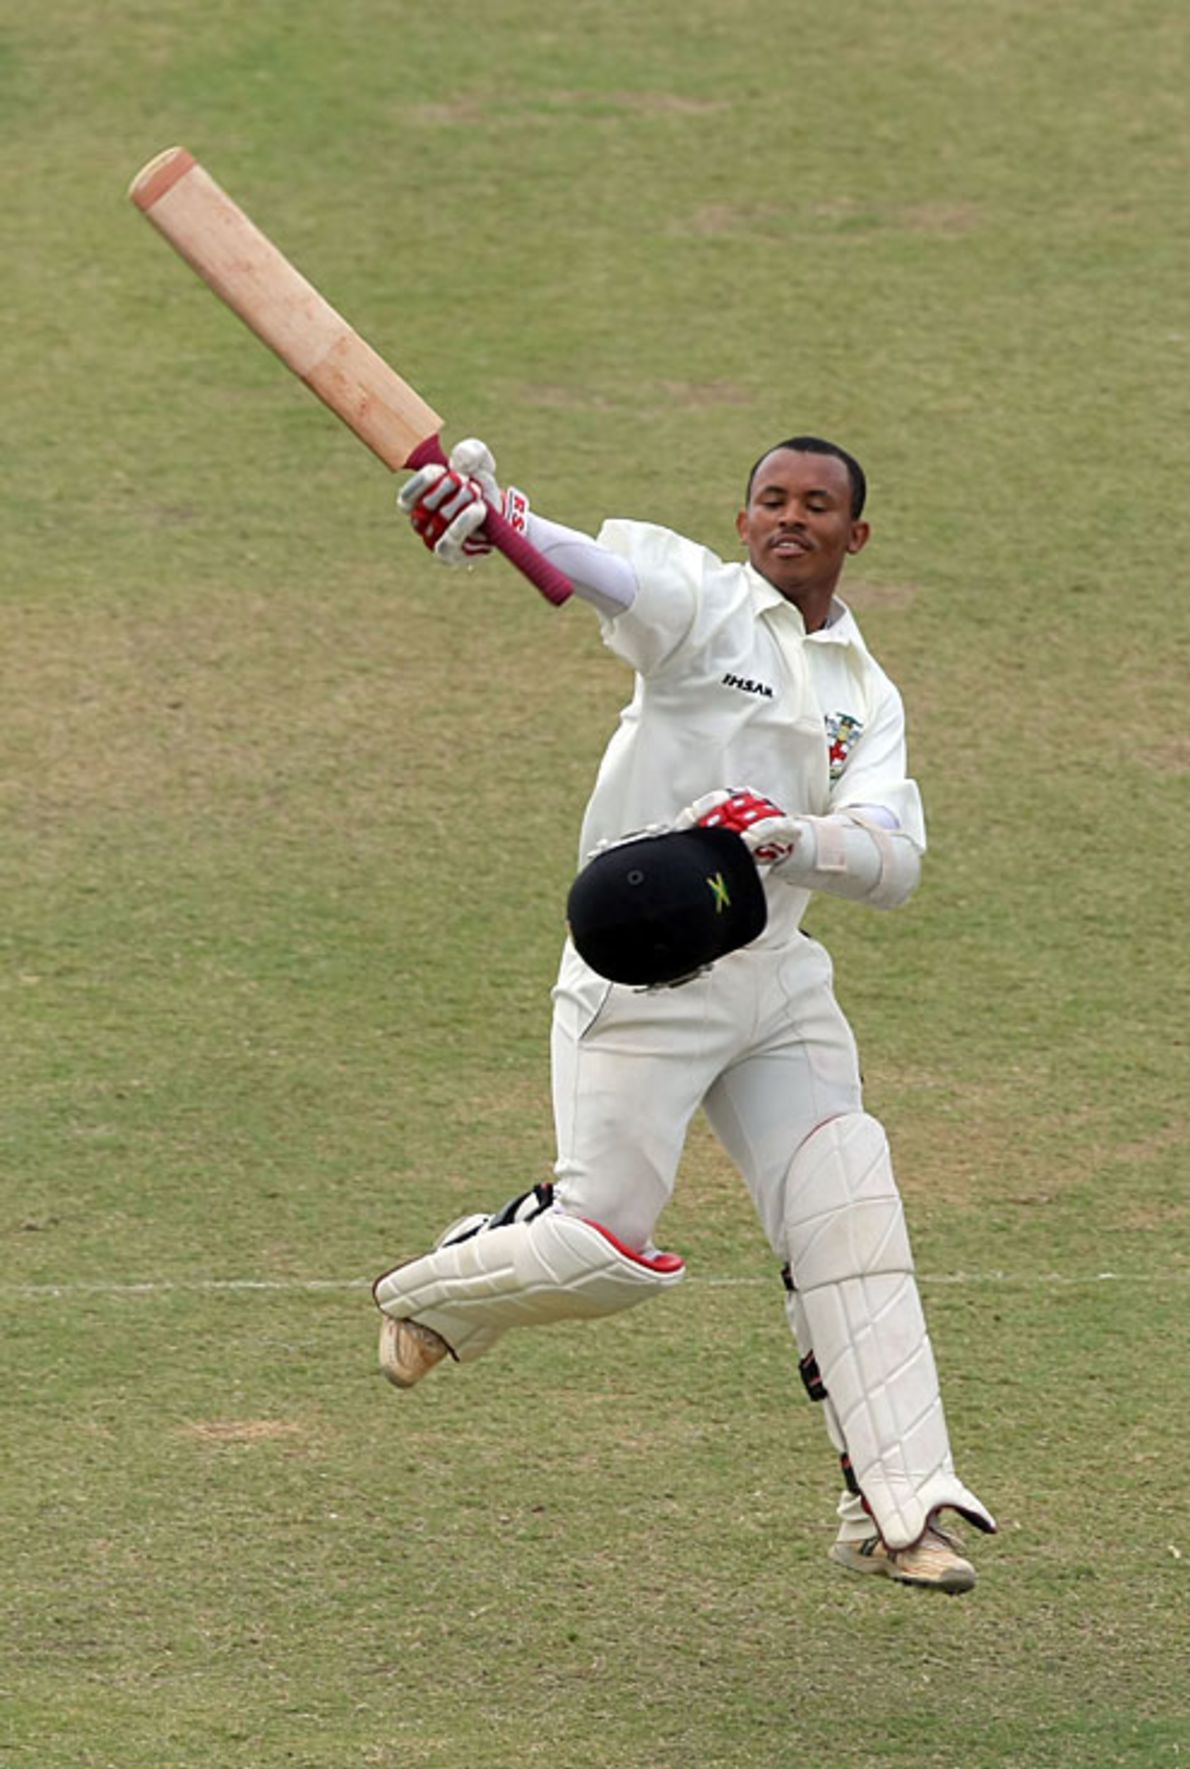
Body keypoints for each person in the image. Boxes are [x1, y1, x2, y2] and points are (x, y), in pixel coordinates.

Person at [374, 435, 996, 1594]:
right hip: (644, 976)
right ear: (745, 518)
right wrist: (499, 520)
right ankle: (445, 1280)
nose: (791, 517)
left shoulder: (865, 693)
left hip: (776, 976)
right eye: (772, 499)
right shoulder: (704, 610)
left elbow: (895, 859)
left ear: (856, 535)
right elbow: (597, 571)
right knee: (604, 1248)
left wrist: (794, 838)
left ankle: (898, 1506)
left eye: (818, 505)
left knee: (849, 1203)